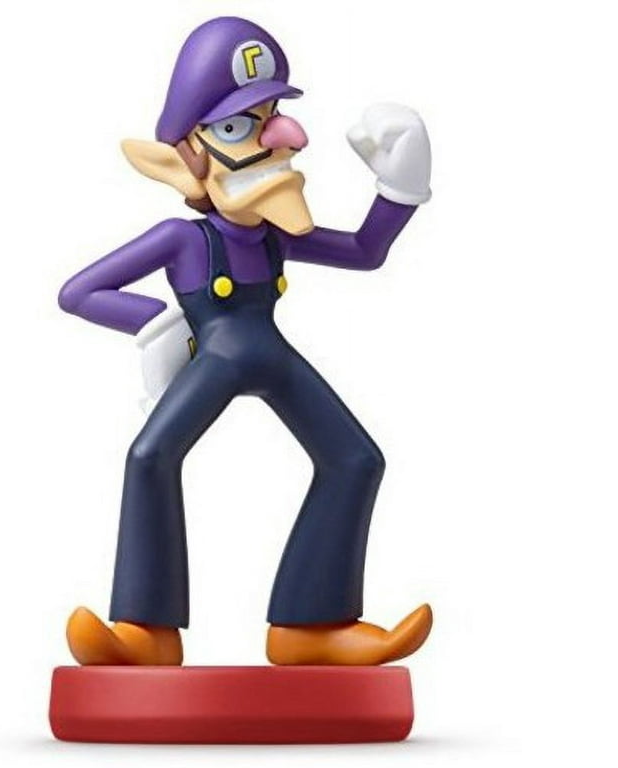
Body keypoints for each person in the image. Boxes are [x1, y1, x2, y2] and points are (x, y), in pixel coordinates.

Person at [59, 16, 433, 666]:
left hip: (270, 355)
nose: (281, 139)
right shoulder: (184, 239)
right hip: (214, 358)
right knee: (150, 457)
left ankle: (310, 627)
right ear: (186, 160)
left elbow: (364, 251)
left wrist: (399, 187)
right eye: (239, 128)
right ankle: (145, 634)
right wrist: (158, 324)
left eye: (272, 120)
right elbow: (80, 291)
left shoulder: (273, 234)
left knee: (355, 459)